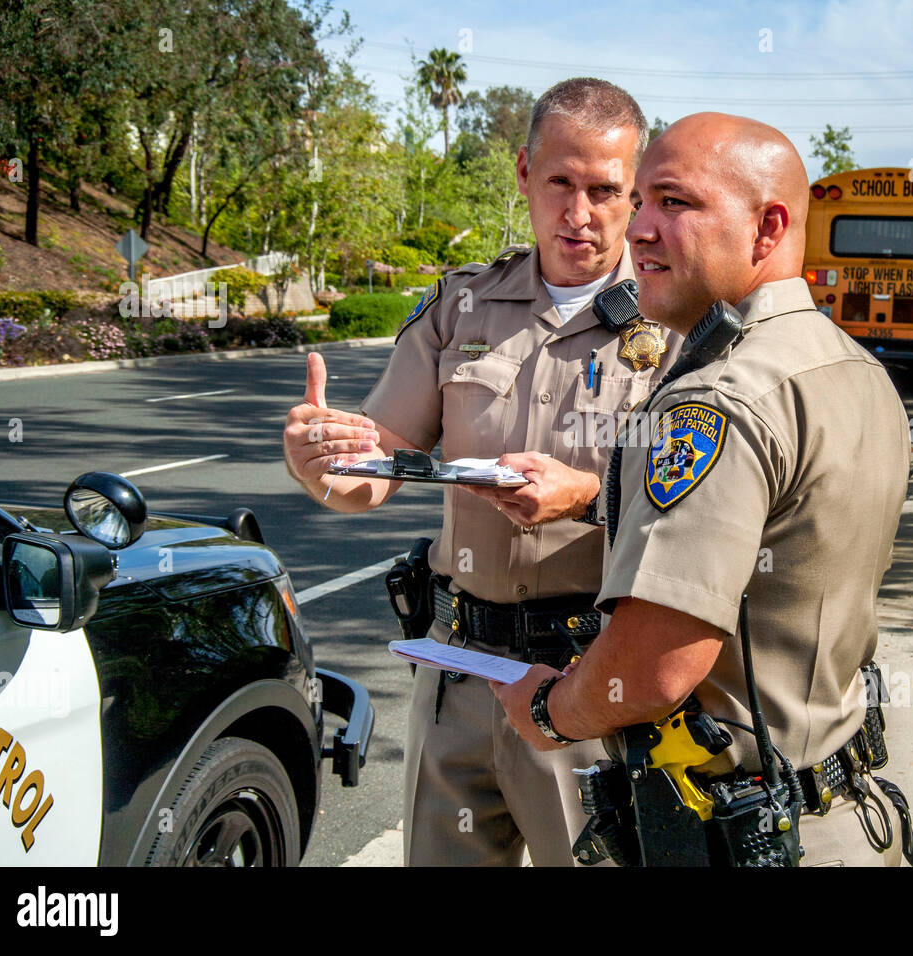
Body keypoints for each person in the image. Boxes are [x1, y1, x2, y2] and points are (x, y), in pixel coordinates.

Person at [489, 112, 913, 866]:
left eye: (675, 203)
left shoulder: (716, 400)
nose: (639, 229)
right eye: (643, 201)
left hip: (746, 834)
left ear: (767, 227)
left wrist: (552, 711)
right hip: (844, 809)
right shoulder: (850, 366)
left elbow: (655, 667)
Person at [282, 78, 682, 866]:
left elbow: (709, 507)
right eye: (561, 183)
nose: (580, 214)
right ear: (525, 172)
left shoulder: (676, 326)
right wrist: (321, 463)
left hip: (592, 679)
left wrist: (585, 496)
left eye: (606, 191)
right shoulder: (461, 306)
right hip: (460, 671)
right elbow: (381, 461)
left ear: (635, 195)